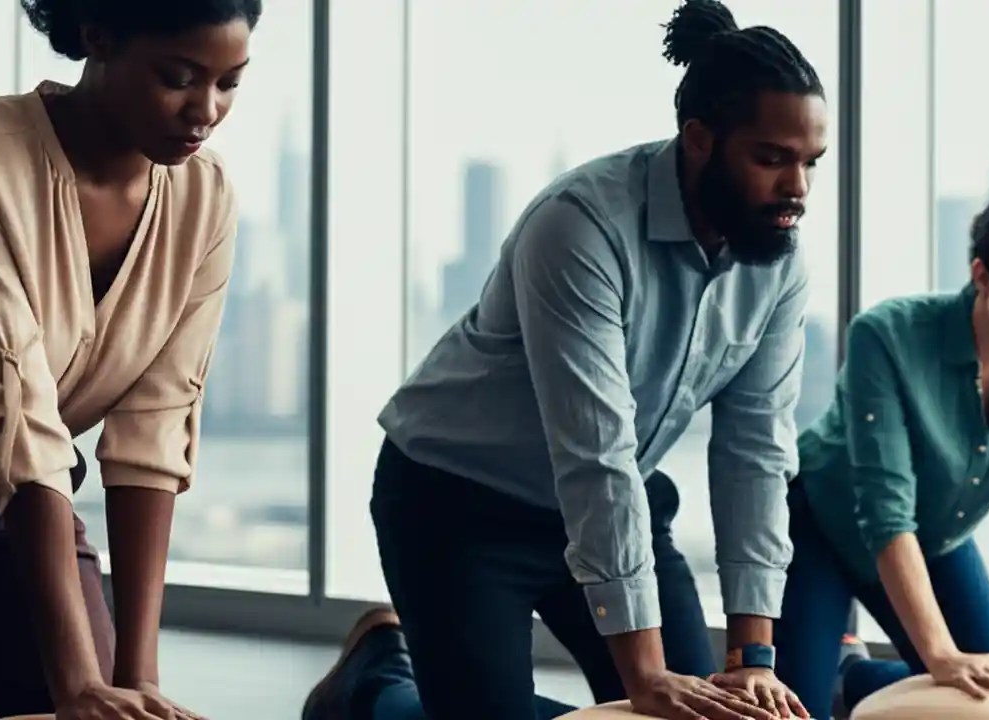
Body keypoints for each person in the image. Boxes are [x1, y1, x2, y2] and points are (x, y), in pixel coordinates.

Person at [303, 1, 826, 719]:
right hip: (461, 506)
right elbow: (594, 452)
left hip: (619, 502)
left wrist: (752, 660)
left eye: (809, 162)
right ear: (700, 140)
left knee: (707, 713)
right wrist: (646, 677)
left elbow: (756, 451)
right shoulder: (580, 226)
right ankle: (374, 686)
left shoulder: (777, 259)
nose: (797, 188)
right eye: (771, 159)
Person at [0, 1, 260, 718]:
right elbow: (17, 415)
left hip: (2, 510)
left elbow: (155, 430)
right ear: (98, 38)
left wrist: (137, 679)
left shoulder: (204, 199)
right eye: (178, 78)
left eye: (229, 83)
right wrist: (78, 684)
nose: (205, 111)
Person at [772, 188, 989, 719]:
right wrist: (940, 654)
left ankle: (855, 679)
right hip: (821, 525)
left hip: (934, 535)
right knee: (796, 712)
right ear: (983, 277)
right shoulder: (884, 334)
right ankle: (834, 680)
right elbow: (885, 508)